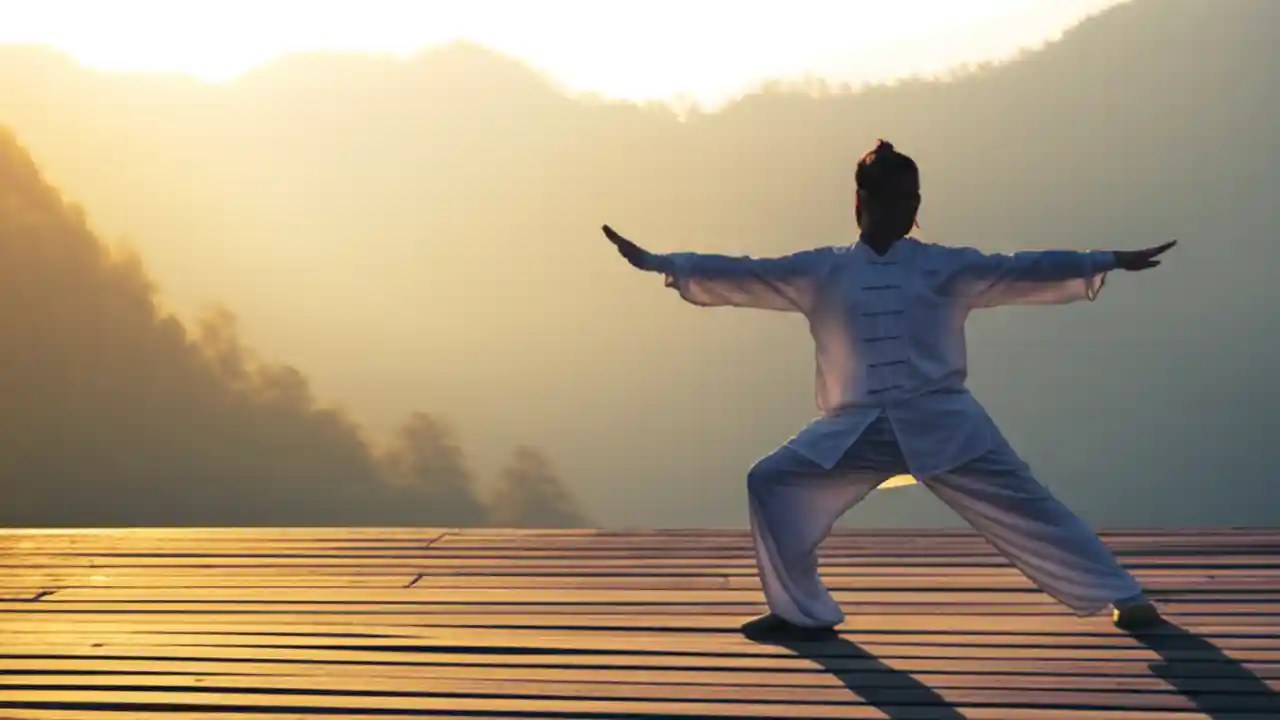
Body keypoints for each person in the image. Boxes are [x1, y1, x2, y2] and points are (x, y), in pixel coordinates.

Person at [602, 139, 1175, 639]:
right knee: (772, 482)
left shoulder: (943, 267)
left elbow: (1021, 267)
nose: (907, 209)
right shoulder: (823, 271)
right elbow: (748, 272)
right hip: (856, 429)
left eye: (913, 200)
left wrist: (1107, 260)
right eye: (897, 199)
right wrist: (662, 262)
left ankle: (1126, 597)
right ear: (862, 203)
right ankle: (800, 611)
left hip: (945, 424)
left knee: (1029, 505)